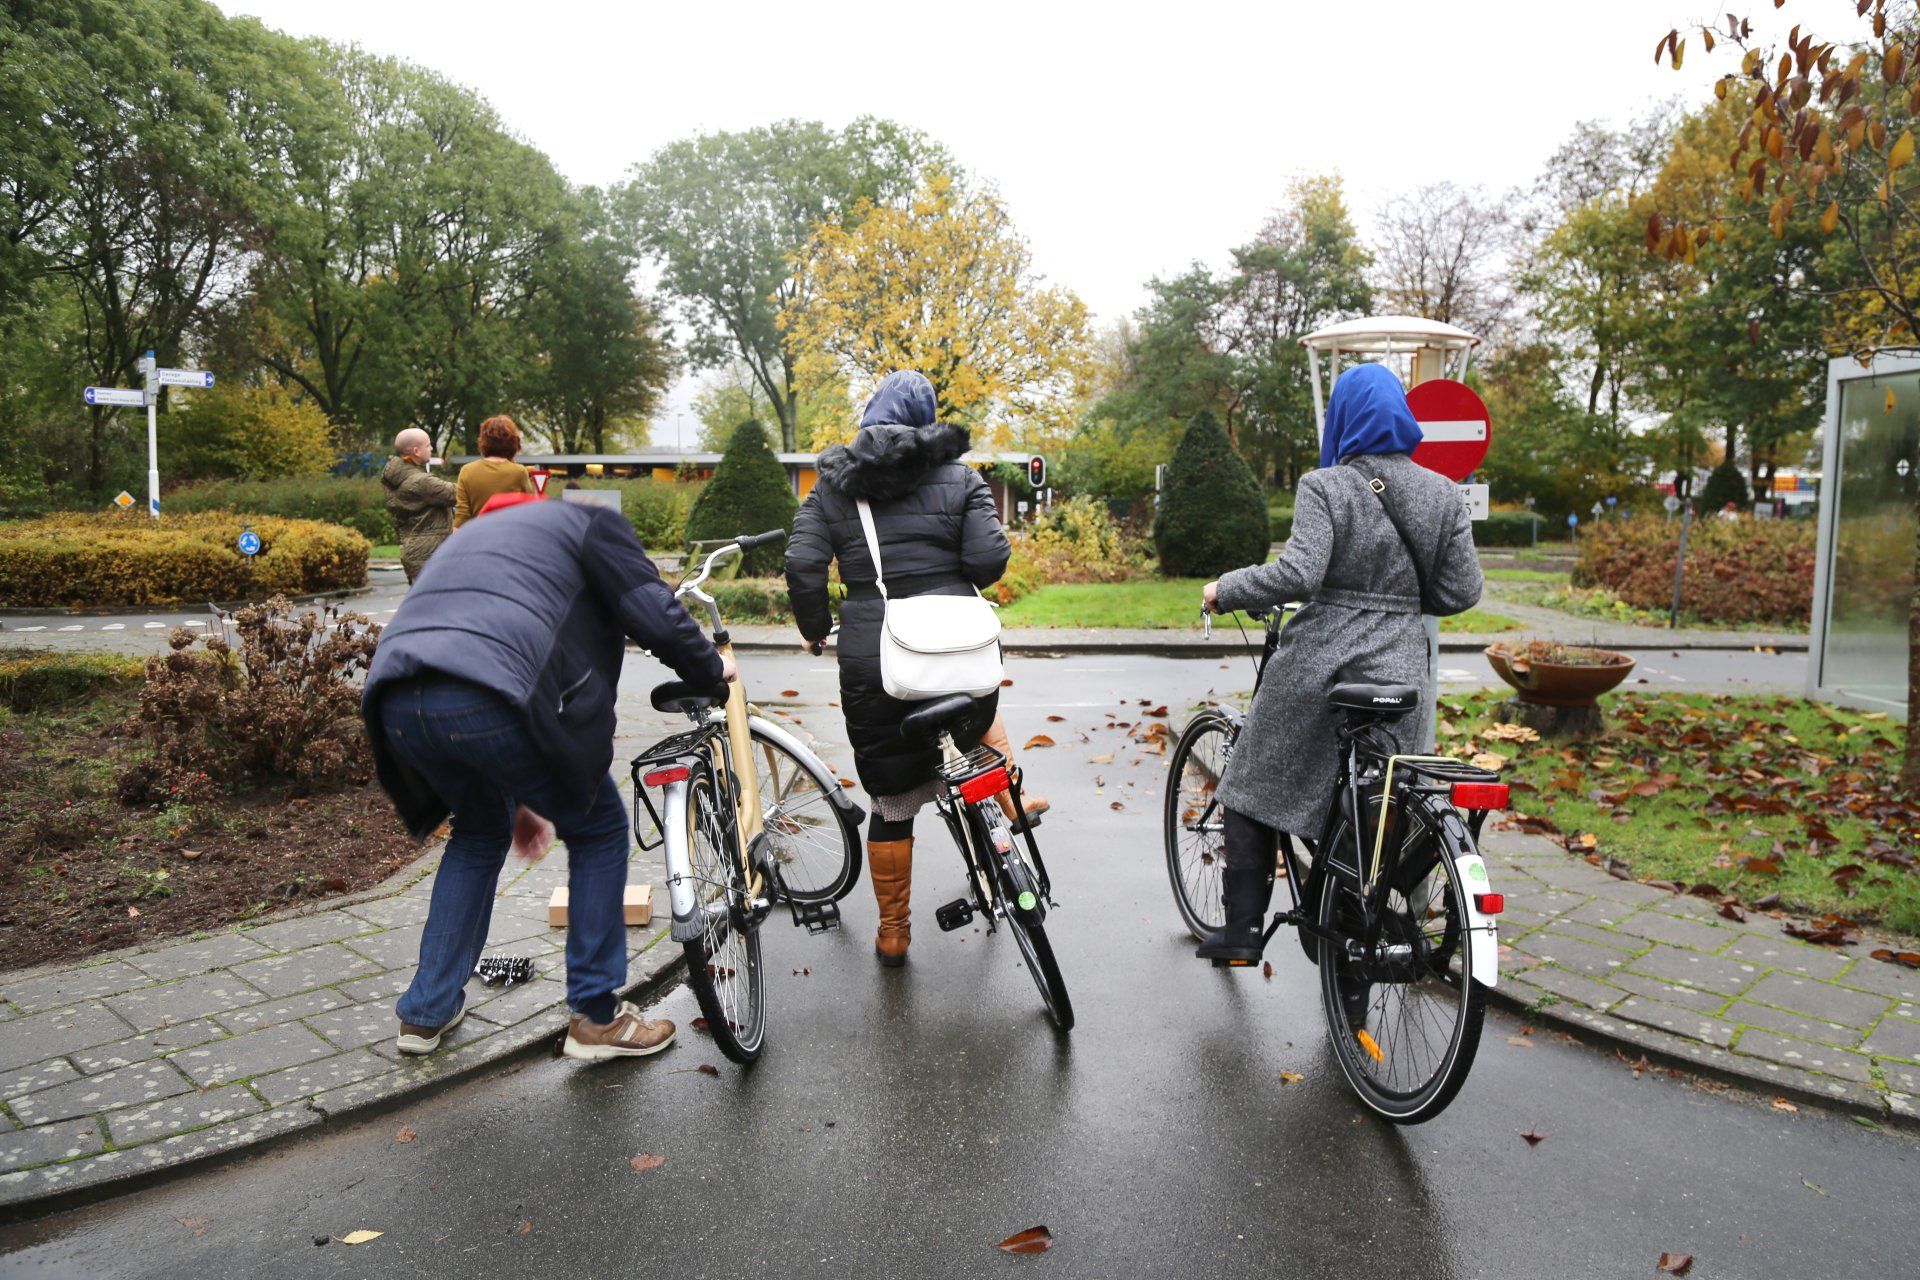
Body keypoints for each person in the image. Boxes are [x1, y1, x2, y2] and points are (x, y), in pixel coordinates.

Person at [362, 497, 735, 1060]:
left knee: (479, 832)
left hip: (395, 698)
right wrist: (712, 667)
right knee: (600, 830)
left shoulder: (469, 541)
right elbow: (651, 609)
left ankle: (424, 1013)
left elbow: (468, 632)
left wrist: (515, 792)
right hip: (490, 692)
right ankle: (597, 1018)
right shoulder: (592, 524)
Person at [1195, 362, 1483, 987]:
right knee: (1376, 810)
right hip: (1404, 674)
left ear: (1344, 420)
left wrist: (1228, 588)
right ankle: (1358, 950)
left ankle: (1242, 929)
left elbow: (1298, 575)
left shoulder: (1326, 484)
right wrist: (1401, 601)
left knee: (1249, 778)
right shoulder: (1442, 493)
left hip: (1324, 661)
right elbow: (1463, 590)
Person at [786, 371, 1048, 967]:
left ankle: (894, 932)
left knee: (893, 798)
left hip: (874, 655)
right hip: (956, 646)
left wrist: (812, 630)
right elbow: (987, 561)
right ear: (927, 422)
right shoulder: (961, 476)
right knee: (976, 707)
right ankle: (1009, 799)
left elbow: (802, 566)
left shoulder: (831, 487)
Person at [381, 428, 456, 583]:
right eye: (428, 445)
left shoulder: (397, 477)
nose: (431, 448)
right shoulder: (421, 482)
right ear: (416, 451)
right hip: (429, 554)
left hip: (414, 551)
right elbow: (458, 493)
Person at [454, 415, 537, 528]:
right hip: (509, 536)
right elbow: (530, 511)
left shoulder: (467, 471)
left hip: (478, 537)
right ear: (513, 442)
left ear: (483, 441)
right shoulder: (519, 472)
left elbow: (462, 516)